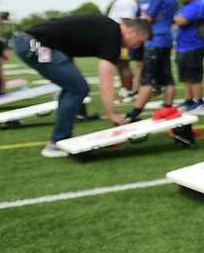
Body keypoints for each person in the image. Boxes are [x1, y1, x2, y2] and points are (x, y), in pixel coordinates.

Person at [12, 15, 150, 157]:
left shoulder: (107, 27)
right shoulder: (113, 36)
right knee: (78, 88)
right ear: (132, 31)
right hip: (35, 45)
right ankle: (57, 142)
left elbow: (66, 36)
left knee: (74, 86)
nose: (137, 46)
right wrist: (112, 113)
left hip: (29, 41)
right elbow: (105, 80)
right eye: (139, 41)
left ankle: (59, 137)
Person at [126, 0, 178, 121]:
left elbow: (148, 18)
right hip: (166, 38)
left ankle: (134, 113)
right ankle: (168, 108)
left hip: (154, 39)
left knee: (148, 79)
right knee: (167, 78)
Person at [173, 0, 204, 110]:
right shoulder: (188, 6)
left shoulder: (197, 5)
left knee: (194, 75)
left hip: (194, 45)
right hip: (184, 46)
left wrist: (176, 18)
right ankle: (188, 100)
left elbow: (181, 20)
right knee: (186, 75)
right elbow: (176, 18)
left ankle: (199, 100)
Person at [105, 0, 139, 93]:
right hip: (118, 37)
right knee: (121, 64)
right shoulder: (122, 0)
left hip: (122, 38)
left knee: (124, 64)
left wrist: (124, 39)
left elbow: (127, 20)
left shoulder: (125, 1)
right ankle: (126, 88)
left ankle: (128, 89)